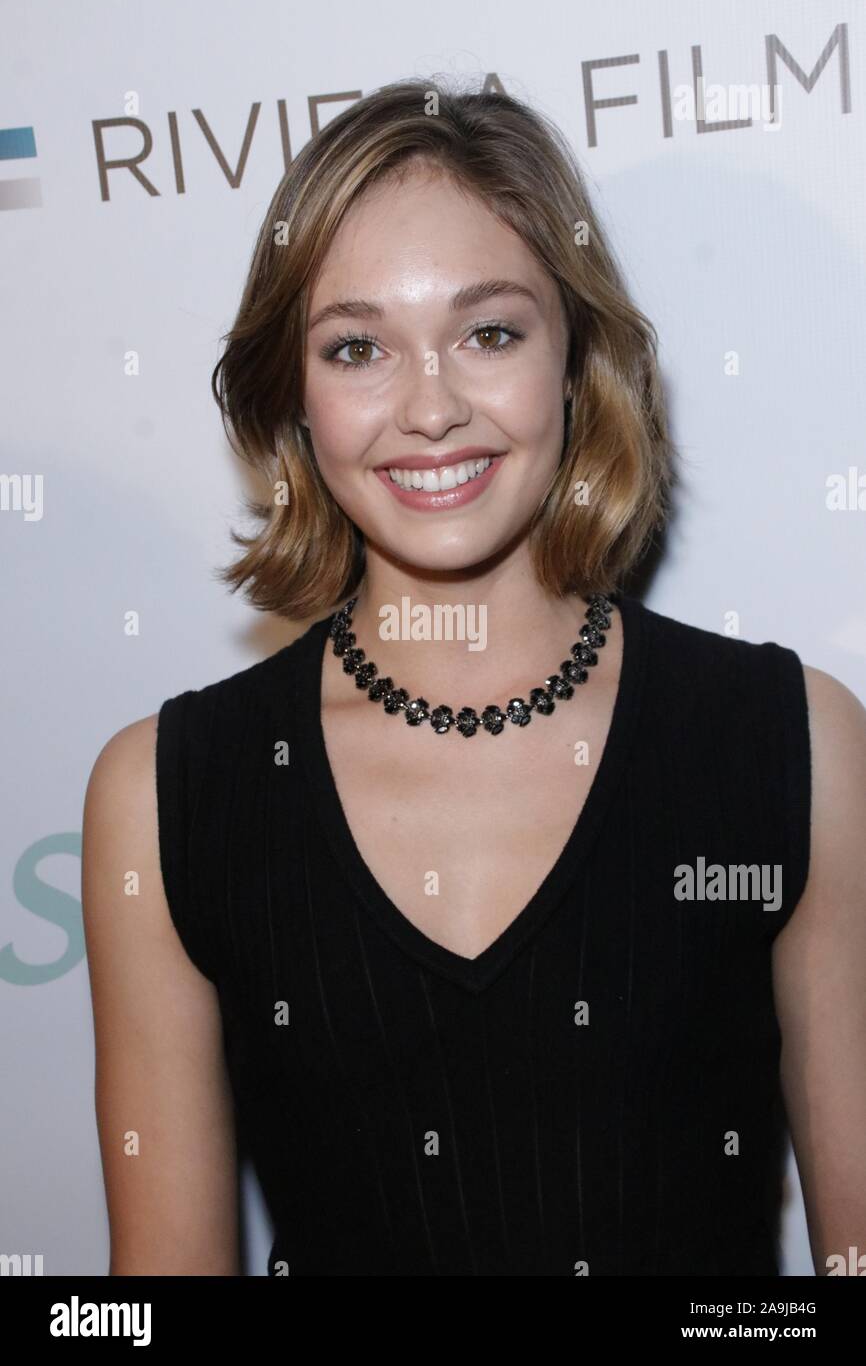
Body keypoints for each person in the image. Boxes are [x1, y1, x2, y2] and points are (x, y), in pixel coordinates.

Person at [82, 78, 866, 1277]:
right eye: (356, 348)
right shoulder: (167, 793)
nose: (431, 407)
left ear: (574, 357)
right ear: (294, 398)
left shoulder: (790, 743)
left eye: (488, 331)